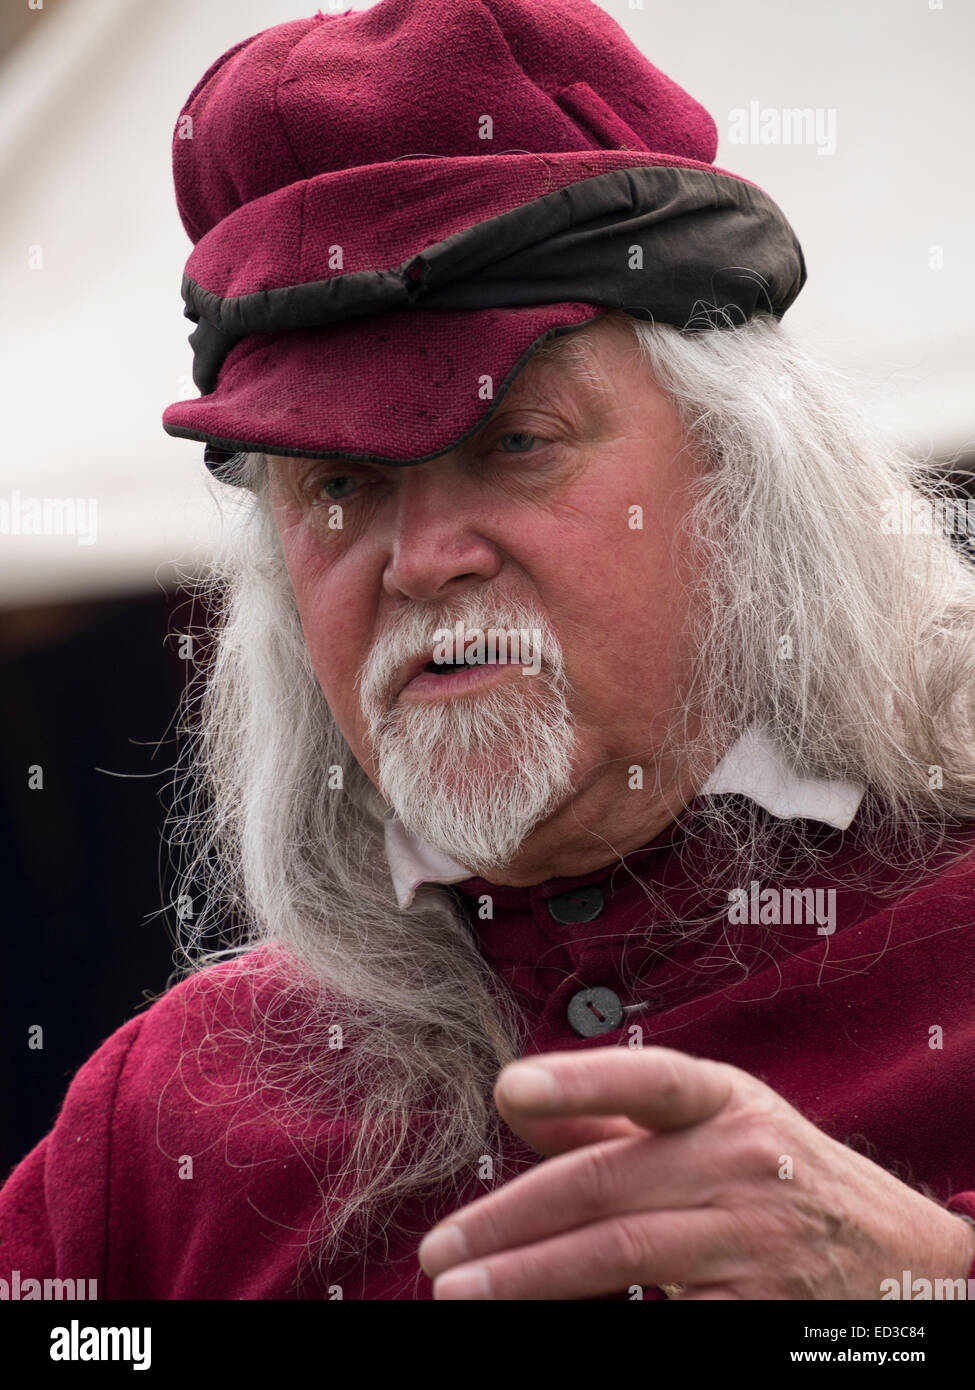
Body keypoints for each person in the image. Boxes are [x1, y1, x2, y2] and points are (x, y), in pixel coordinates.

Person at [3, 0, 975, 1302]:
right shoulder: (149, 1133)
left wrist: (927, 1287)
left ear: (744, 480)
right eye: (339, 485)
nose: (420, 558)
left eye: (512, 442)